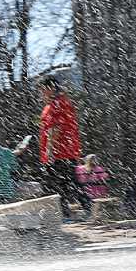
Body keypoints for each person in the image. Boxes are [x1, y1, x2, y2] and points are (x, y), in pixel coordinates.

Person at [37, 78, 93, 220]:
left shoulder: (56, 104)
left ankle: (65, 214)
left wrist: (49, 151)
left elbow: (55, 128)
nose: (41, 93)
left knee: (56, 185)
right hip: (67, 150)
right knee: (70, 182)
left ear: (50, 88)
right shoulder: (63, 102)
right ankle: (86, 209)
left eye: (43, 89)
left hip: (59, 152)